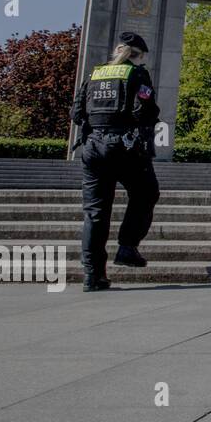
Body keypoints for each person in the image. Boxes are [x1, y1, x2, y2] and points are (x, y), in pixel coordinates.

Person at [69, 32, 160, 291]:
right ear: (138, 55)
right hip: (125, 146)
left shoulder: (94, 74)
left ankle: (93, 275)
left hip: (92, 148)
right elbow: (145, 110)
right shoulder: (138, 74)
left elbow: (76, 112)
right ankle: (127, 247)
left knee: (95, 213)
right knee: (146, 193)